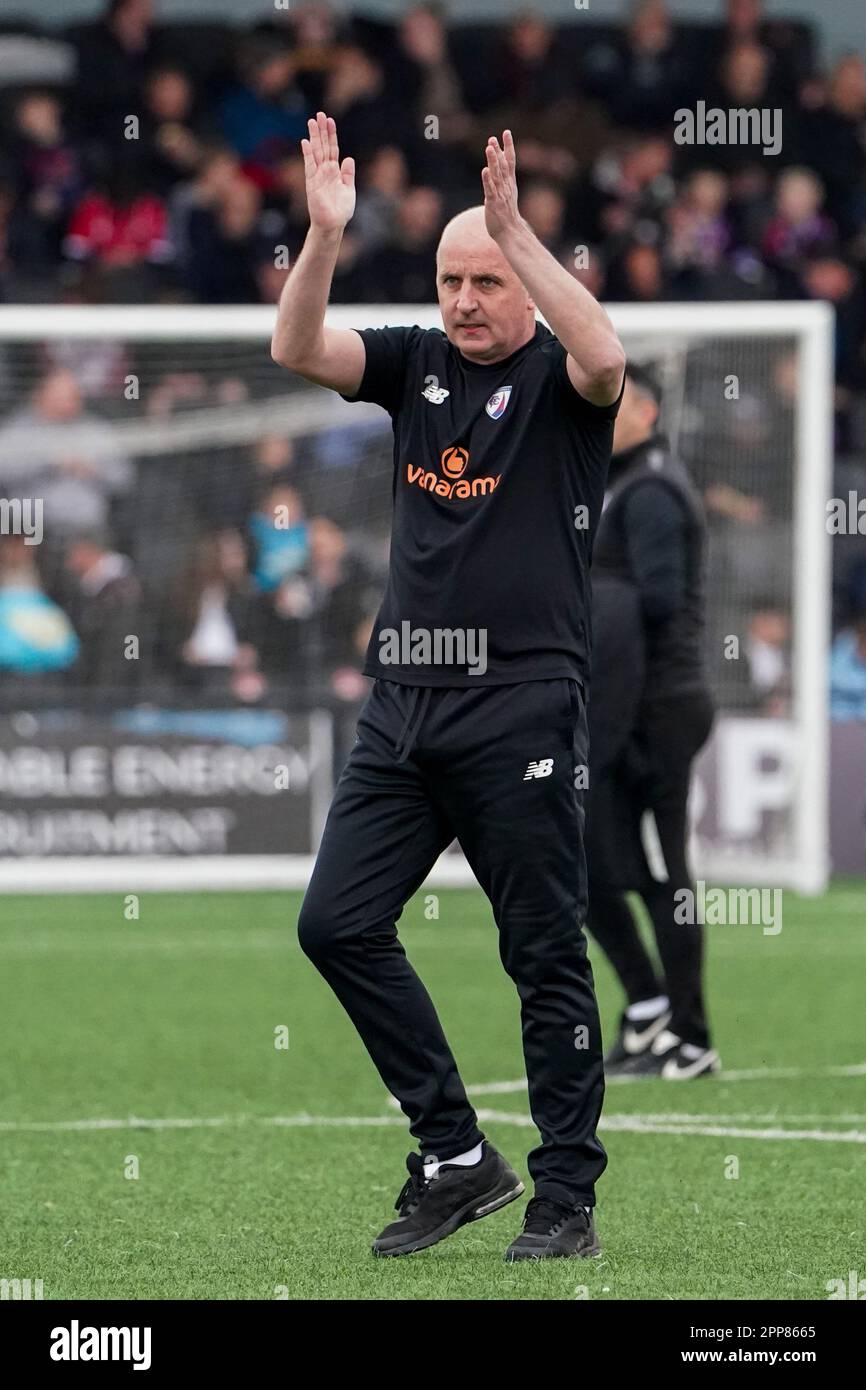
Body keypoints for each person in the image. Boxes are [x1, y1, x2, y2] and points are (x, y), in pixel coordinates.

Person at [272, 111, 625, 1260]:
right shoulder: (413, 362)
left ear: (520, 283)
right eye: (450, 278)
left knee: (540, 953)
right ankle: (456, 1153)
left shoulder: (561, 389)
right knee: (334, 922)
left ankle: (564, 1198)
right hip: (403, 700)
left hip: (520, 700)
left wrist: (521, 235)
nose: (465, 300)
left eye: (484, 279)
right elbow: (295, 351)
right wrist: (323, 235)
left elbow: (607, 358)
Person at [585, 365, 719, 1079]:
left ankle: (691, 1037)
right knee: (579, 858)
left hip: (654, 710)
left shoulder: (652, 490)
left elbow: (657, 602)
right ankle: (646, 1008)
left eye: (615, 409)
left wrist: (620, 722)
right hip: (620, 706)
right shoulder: (622, 486)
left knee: (665, 873)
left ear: (648, 410)